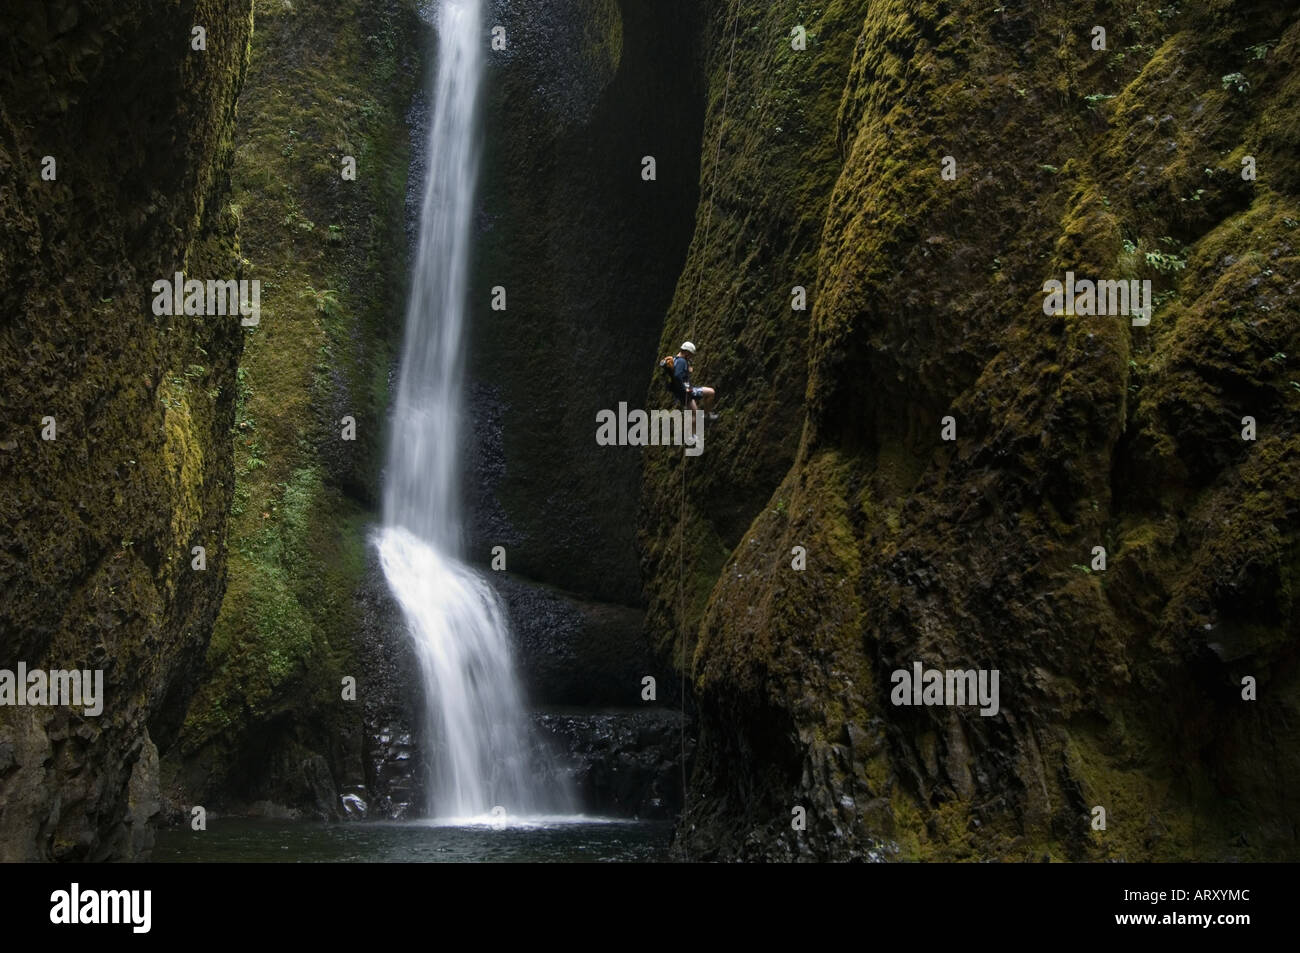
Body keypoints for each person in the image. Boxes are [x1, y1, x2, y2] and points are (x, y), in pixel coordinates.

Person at [673, 341, 718, 421]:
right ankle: (706, 415)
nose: (691, 357)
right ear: (686, 352)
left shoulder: (676, 359)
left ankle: (705, 417)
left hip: (684, 393)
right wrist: (685, 388)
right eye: (690, 355)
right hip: (686, 393)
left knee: (695, 414)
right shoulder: (681, 361)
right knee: (711, 392)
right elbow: (677, 376)